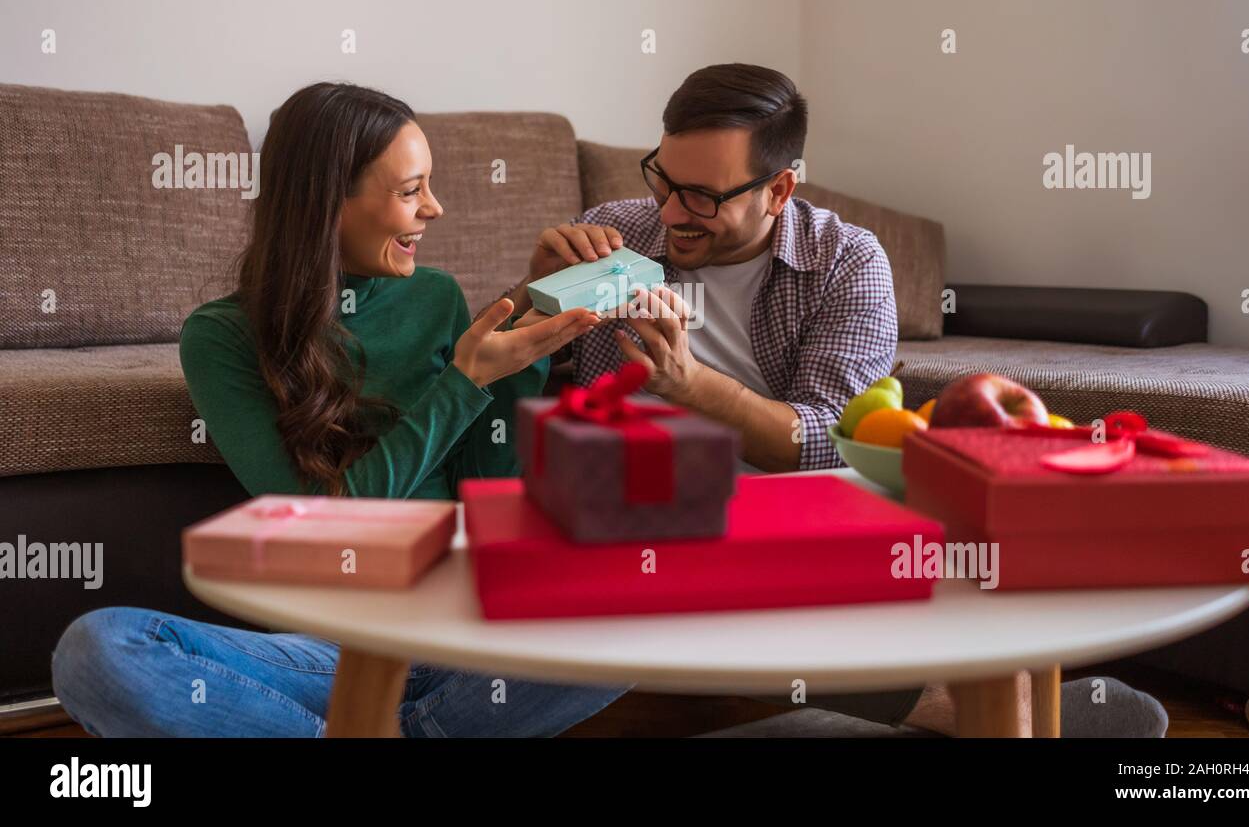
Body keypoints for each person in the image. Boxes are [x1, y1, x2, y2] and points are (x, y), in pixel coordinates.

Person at [506, 63, 1169, 737]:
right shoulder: (616, 230)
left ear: (779, 189)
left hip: (779, 522)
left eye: (703, 196)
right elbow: (486, 379)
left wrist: (690, 386)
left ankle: (965, 706)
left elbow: (826, 441)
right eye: (664, 180)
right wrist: (531, 295)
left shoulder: (846, 261)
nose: (672, 213)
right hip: (613, 509)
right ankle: (966, 710)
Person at [50, 82, 629, 737]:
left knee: (652, 584)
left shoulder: (435, 297)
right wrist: (463, 381)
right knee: (98, 650)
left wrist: (525, 342)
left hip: (467, 625)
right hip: (335, 649)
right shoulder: (221, 338)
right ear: (328, 206)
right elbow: (319, 527)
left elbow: (485, 491)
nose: (434, 209)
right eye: (411, 191)